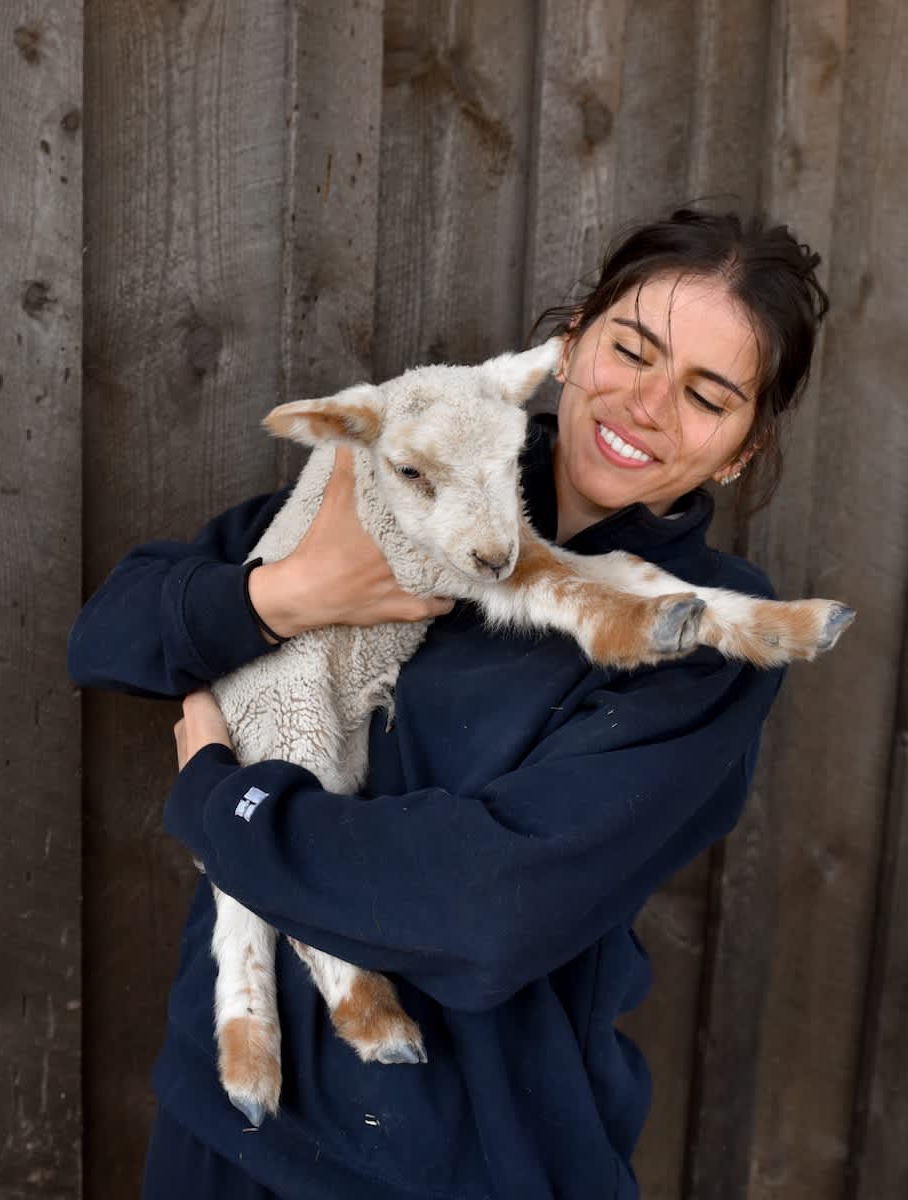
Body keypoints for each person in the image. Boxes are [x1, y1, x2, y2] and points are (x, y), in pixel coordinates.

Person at [66, 208, 830, 1200]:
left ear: (738, 448)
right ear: (568, 344)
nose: (644, 403)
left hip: (459, 1160)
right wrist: (285, 597)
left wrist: (224, 804)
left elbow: (484, 909)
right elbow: (111, 637)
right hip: (228, 1124)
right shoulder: (409, 475)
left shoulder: (696, 650)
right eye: (630, 350)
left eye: (705, 395)